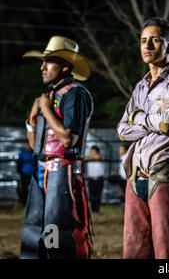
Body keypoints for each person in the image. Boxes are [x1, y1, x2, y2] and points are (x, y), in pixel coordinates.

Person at [117, 17, 169, 259]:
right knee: (135, 250)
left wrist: (138, 116)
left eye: (155, 40)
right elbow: (121, 129)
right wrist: (152, 120)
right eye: (143, 41)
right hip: (135, 176)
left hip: (163, 172)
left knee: (168, 248)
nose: (147, 46)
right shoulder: (141, 86)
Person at [20, 36, 94, 259]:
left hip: (62, 170)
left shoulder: (75, 94)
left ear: (65, 66)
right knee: (33, 228)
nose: (42, 67)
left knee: (55, 228)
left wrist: (45, 109)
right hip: (42, 170)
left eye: (48, 61)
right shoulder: (49, 97)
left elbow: (68, 139)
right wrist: (32, 118)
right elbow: (35, 146)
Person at [108, 144, 129, 211]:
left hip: (125, 178)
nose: (119, 150)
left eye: (121, 149)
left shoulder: (125, 156)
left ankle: (124, 208)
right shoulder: (123, 157)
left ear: (125, 150)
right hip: (122, 177)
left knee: (124, 195)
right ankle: (119, 190)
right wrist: (117, 170)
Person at [85, 146, 105, 213]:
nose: (91, 152)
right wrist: (91, 157)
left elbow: (99, 157)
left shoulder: (100, 156)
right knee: (92, 195)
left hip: (99, 179)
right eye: (91, 151)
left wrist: (91, 158)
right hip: (91, 179)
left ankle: (97, 210)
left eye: (93, 151)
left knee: (98, 195)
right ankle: (93, 210)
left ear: (97, 151)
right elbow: (84, 158)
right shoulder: (89, 158)